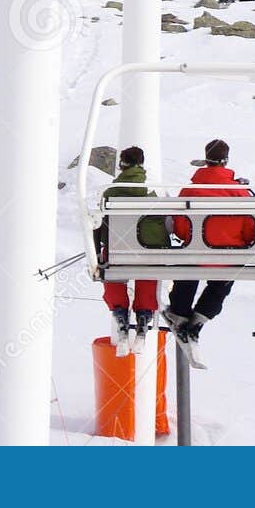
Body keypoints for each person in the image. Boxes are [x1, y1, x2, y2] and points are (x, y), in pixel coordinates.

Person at [164, 139, 255, 356]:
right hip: (228, 256)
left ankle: (179, 313)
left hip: (195, 253)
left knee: (188, 269)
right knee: (222, 282)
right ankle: (199, 319)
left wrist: (189, 236)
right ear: (226, 161)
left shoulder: (190, 190)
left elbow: (179, 225)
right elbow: (251, 227)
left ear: (206, 159)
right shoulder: (239, 192)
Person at [98, 146, 165, 354]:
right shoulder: (152, 191)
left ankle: (120, 316)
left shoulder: (110, 192)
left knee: (113, 269)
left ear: (121, 165)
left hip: (118, 252)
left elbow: (101, 225)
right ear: (142, 164)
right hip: (148, 251)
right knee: (147, 271)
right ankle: (143, 320)